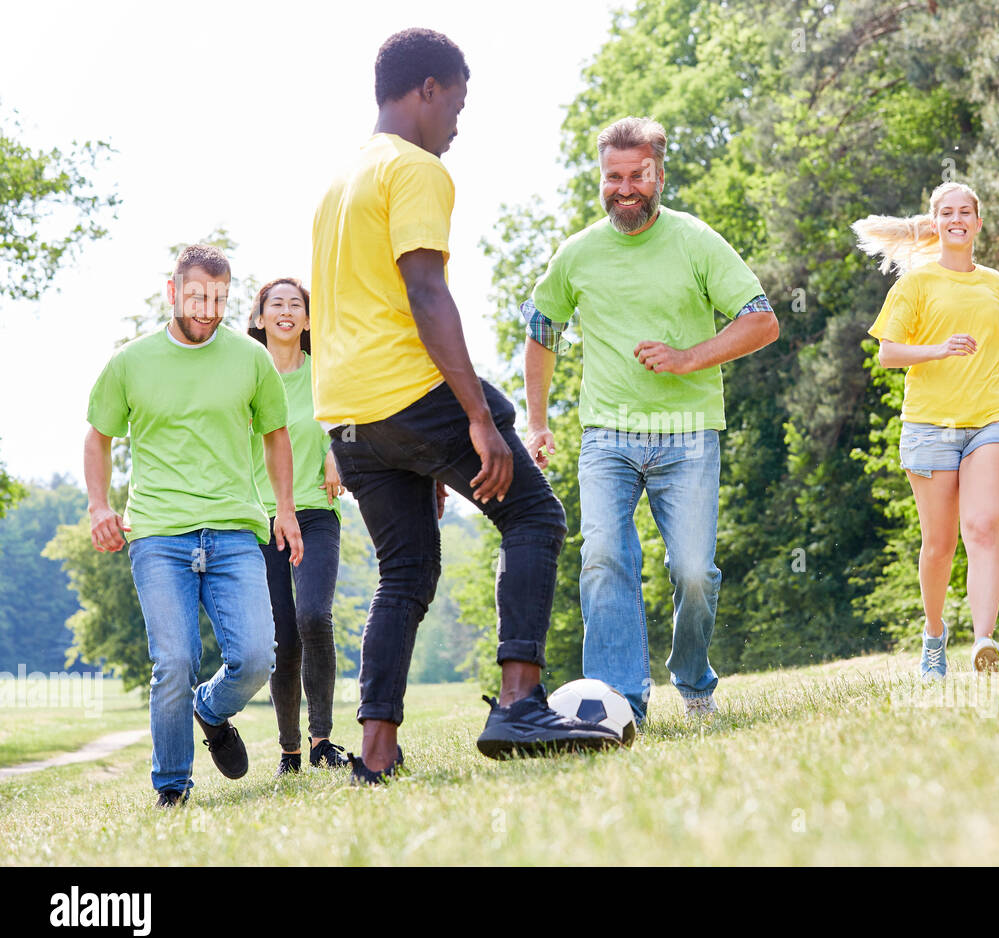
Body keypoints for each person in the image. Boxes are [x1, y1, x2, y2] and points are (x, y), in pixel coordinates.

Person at [310, 27, 621, 783]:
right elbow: (425, 292)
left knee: (406, 572)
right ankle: (519, 700)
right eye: (458, 101)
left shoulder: (340, 181)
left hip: (350, 413)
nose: (458, 119)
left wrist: (432, 441)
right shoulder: (414, 169)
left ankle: (375, 755)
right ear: (427, 89)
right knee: (535, 515)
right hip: (406, 391)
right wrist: (475, 421)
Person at [522, 116, 780, 723]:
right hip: (606, 437)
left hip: (689, 434)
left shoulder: (695, 240)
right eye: (613, 177)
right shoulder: (578, 253)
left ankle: (693, 681)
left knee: (694, 573)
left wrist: (689, 357)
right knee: (604, 557)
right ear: (601, 179)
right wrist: (537, 423)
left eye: (637, 175)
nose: (625, 187)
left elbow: (762, 319)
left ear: (659, 174)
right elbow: (541, 332)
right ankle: (620, 703)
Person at [85, 244, 302, 808]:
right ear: (173, 290)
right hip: (158, 533)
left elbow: (277, 433)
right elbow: (99, 436)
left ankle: (211, 709)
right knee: (174, 661)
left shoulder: (249, 359)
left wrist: (285, 508)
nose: (208, 309)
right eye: (198, 295)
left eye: (220, 299)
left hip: (233, 530)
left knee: (257, 658)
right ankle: (173, 786)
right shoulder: (130, 362)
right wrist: (99, 505)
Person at [855, 181, 999, 680]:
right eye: (947, 212)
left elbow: (993, 347)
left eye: (965, 212)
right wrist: (937, 349)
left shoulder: (996, 284)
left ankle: (984, 642)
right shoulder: (914, 285)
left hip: (992, 416)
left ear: (977, 221)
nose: (957, 219)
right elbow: (888, 353)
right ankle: (935, 636)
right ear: (936, 223)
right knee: (939, 545)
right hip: (930, 424)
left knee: (982, 527)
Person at [247, 278, 349, 774]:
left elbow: (351, 417)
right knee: (282, 636)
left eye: (296, 305)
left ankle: (322, 739)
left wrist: (339, 451)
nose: (286, 312)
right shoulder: (243, 374)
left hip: (315, 513)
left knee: (313, 617)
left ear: (308, 320)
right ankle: (290, 750)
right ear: (260, 318)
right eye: (275, 305)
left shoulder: (324, 374)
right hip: (257, 520)